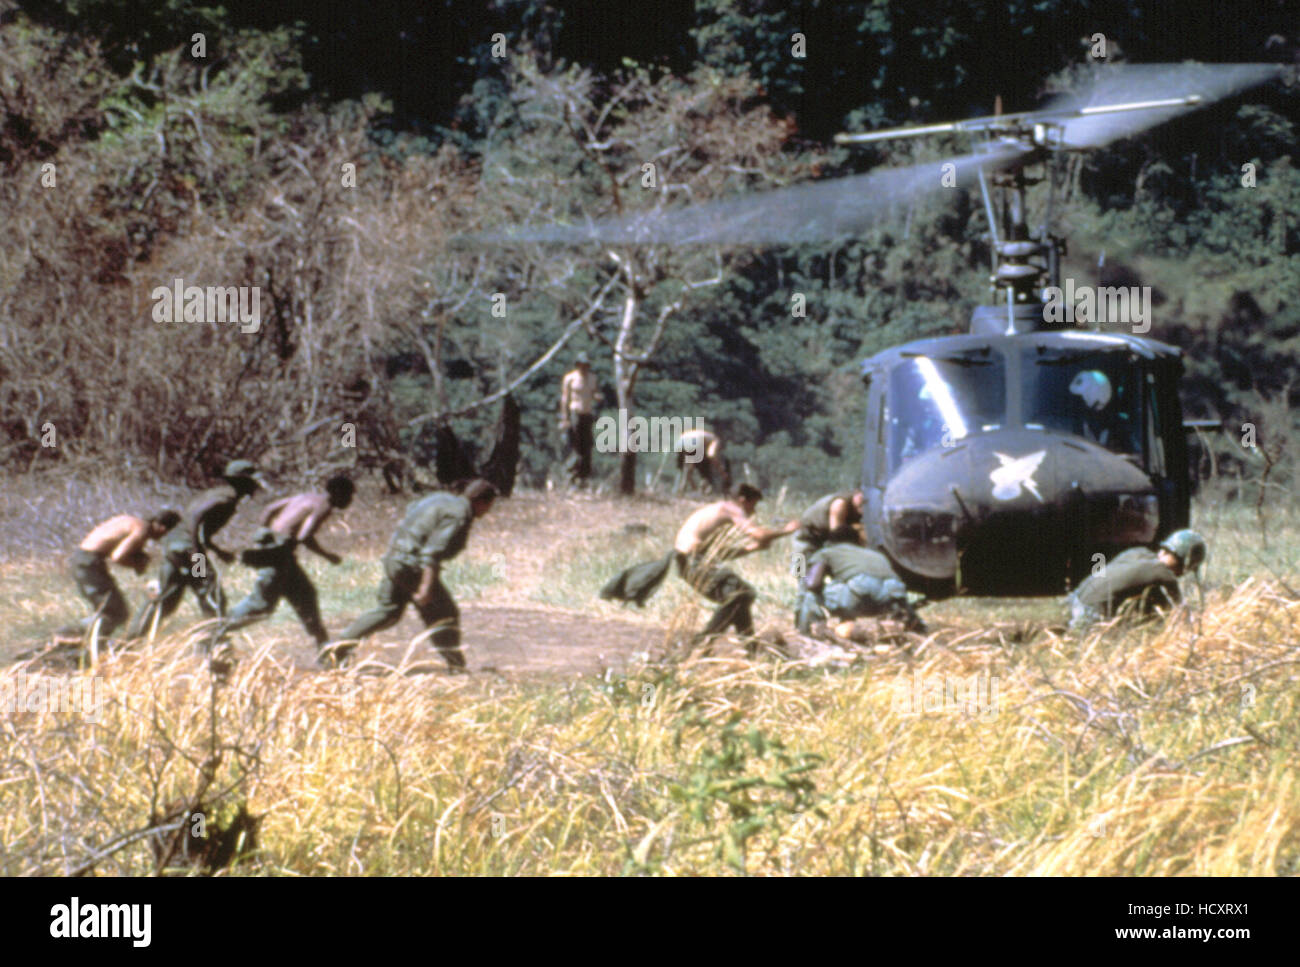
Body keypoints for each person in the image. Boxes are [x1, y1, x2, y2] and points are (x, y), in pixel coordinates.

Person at [323, 479, 498, 670]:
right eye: (489, 505)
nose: (488, 511)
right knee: (445, 614)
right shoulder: (459, 515)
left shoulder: (440, 499)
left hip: (394, 559)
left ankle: (335, 650)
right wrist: (425, 588)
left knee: (388, 611)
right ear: (481, 501)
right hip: (410, 566)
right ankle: (456, 665)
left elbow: (411, 511)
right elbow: (431, 554)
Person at [207, 476, 354, 651]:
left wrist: (263, 533)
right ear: (338, 493)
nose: (350, 500)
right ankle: (211, 632)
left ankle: (322, 644)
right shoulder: (323, 505)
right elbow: (304, 536)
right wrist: (327, 556)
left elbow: (269, 509)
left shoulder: (305, 497)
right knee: (260, 605)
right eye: (349, 495)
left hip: (281, 556)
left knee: (305, 595)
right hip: (200, 556)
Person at [125, 459, 267, 640]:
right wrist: (195, 553)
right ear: (243, 482)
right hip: (190, 553)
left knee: (165, 599)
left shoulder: (217, 494)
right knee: (211, 594)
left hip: (174, 548)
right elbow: (194, 519)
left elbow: (199, 528)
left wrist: (217, 550)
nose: (254, 488)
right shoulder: (225, 499)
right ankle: (214, 643)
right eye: (252, 483)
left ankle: (128, 642)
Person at [672, 484, 798, 644]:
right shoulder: (730, 509)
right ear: (742, 500)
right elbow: (760, 535)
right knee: (742, 594)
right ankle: (703, 640)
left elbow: (719, 554)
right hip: (693, 561)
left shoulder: (718, 512)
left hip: (687, 562)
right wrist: (787, 530)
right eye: (753, 505)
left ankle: (750, 646)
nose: (753, 512)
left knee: (739, 597)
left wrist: (753, 548)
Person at [54, 509, 181, 642]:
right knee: (116, 612)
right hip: (89, 563)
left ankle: (91, 643)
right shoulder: (142, 529)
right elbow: (118, 556)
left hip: (83, 560)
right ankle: (69, 634)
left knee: (112, 611)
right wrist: (138, 563)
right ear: (162, 529)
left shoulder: (130, 520)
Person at [1068, 529, 1208, 632]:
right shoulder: (1163, 572)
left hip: (1075, 599)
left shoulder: (1138, 553)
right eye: (1184, 568)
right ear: (1181, 560)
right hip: (1091, 615)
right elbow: (1181, 612)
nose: (1181, 574)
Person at [794, 542, 925, 636]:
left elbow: (813, 584)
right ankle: (921, 631)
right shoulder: (874, 554)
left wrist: (802, 575)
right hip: (894, 591)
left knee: (810, 595)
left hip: (861, 588)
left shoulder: (825, 551)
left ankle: (804, 635)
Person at [791, 490, 866, 562]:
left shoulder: (864, 509)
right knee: (800, 569)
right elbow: (837, 538)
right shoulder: (840, 504)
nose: (864, 504)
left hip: (825, 538)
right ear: (856, 493)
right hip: (807, 536)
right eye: (862, 500)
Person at [560, 351, 599, 485]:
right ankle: (571, 475)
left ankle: (583, 477)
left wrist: (598, 397)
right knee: (575, 445)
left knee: (587, 446)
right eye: (582, 364)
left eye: (586, 365)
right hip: (575, 413)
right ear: (577, 364)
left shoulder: (592, 378)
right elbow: (565, 399)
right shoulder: (570, 378)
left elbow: (594, 393)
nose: (584, 367)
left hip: (587, 414)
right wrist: (565, 418)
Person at [674, 427, 731, 495]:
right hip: (694, 441)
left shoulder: (706, 436)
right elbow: (711, 454)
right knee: (702, 466)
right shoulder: (715, 440)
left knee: (686, 468)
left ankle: (681, 490)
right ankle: (701, 489)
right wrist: (723, 473)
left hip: (680, 442)